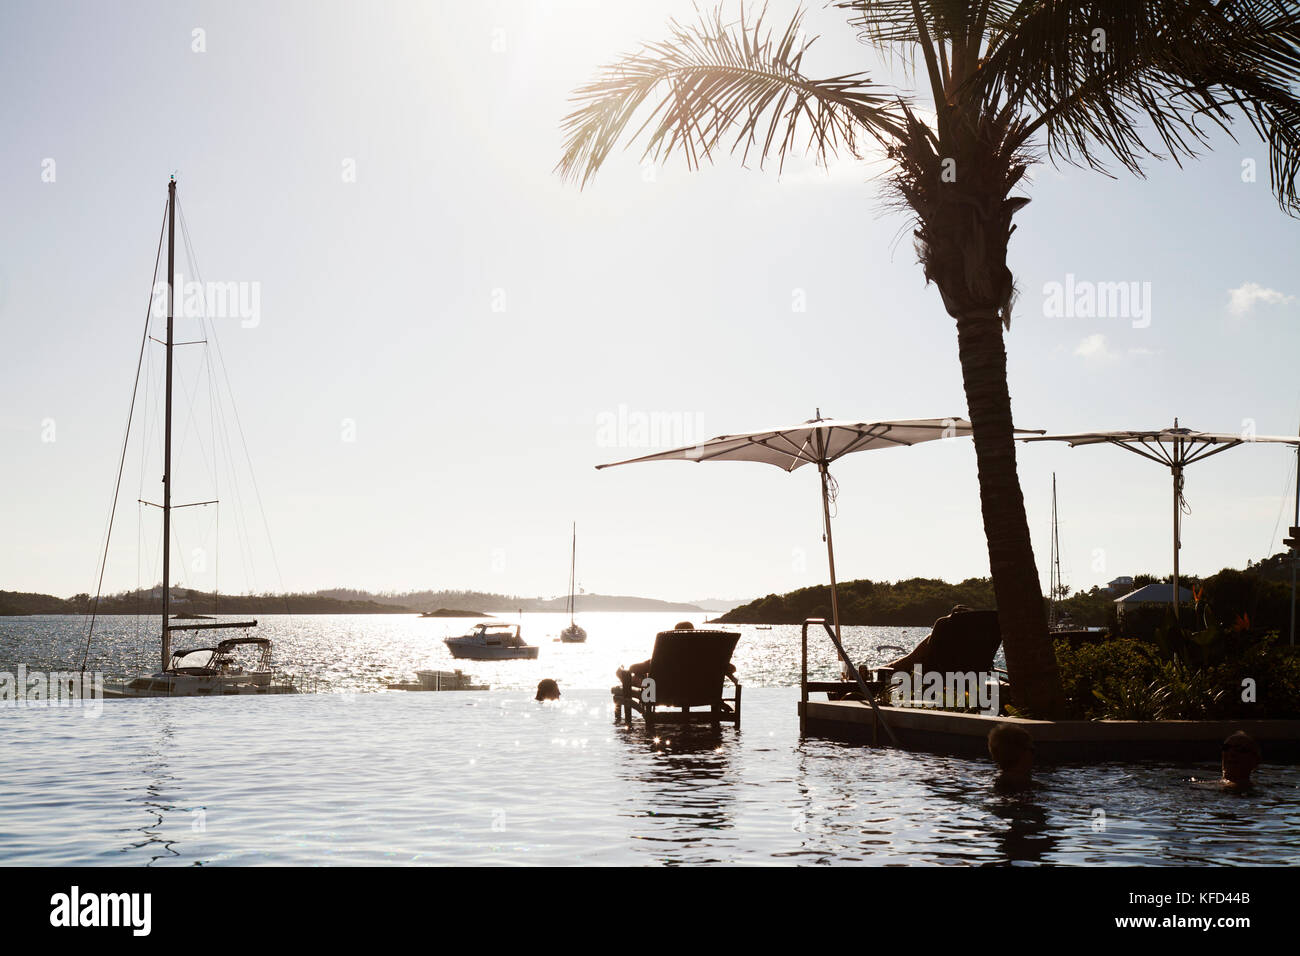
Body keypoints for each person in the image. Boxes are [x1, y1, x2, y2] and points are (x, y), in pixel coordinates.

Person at [987, 722, 1033, 791]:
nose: (1033, 755)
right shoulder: (1023, 786)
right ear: (1021, 753)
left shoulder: (999, 783)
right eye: (1032, 750)